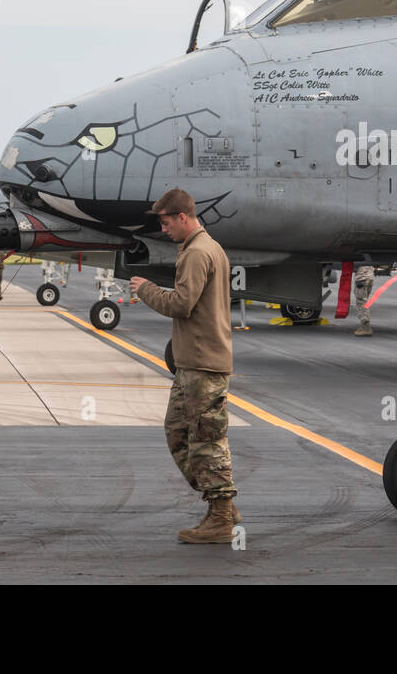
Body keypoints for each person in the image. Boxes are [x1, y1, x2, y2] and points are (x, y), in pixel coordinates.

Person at [129, 188, 240, 544]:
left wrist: (145, 289)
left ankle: (222, 516)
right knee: (177, 433)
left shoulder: (198, 252)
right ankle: (220, 501)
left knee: (208, 441)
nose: (164, 231)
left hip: (204, 364)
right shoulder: (203, 248)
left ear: (182, 217)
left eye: (165, 223)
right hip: (193, 362)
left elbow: (181, 304)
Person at [353, 265, 375, 336]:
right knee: (364, 300)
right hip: (370, 277)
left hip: (361, 279)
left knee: (361, 301)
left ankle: (365, 327)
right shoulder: (368, 260)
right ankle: (364, 326)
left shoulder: (360, 257)